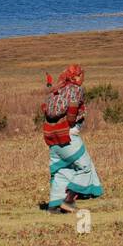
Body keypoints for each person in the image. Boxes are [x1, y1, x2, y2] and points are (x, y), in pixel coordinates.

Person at [42, 64, 103, 213]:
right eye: (81, 76)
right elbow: (71, 113)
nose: (83, 79)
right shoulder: (76, 90)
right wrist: (71, 124)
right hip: (68, 136)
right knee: (85, 167)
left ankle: (55, 205)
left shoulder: (55, 90)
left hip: (51, 137)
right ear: (75, 77)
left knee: (61, 169)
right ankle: (69, 201)